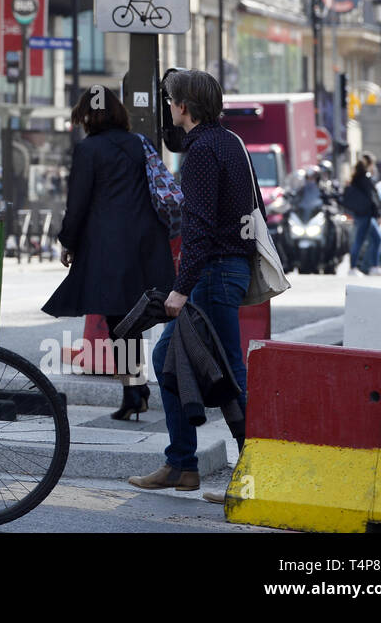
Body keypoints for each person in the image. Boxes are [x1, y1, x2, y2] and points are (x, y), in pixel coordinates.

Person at [129, 69, 256, 493]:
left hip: (213, 273)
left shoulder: (200, 150)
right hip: (227, 269)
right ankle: (182, 465)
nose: (168, 108)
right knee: (169, 363)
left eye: (170, 101)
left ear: (183, 107)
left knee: (230, 374)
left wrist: (181, 288)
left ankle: (254, 473)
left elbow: (198, 226)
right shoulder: (230, 142)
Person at [43, 88, 174, 420]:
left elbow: (78, 203)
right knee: (129, 315)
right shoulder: (138, 143)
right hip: (145, 240)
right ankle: (136, 387)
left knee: (119, 317)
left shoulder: (89, 150)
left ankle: (134, 391)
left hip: (109, 244)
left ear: (87, 116)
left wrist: (68, 241)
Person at [345, 152, 381, 276]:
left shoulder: (357, 177)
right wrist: (378, 214)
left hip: (363, 214)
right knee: (360, 240)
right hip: (366, 215)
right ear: (370, 164)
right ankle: (354, 268)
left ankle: (373, 266)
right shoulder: (365, 178)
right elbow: (372, 198)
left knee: (376, 239)